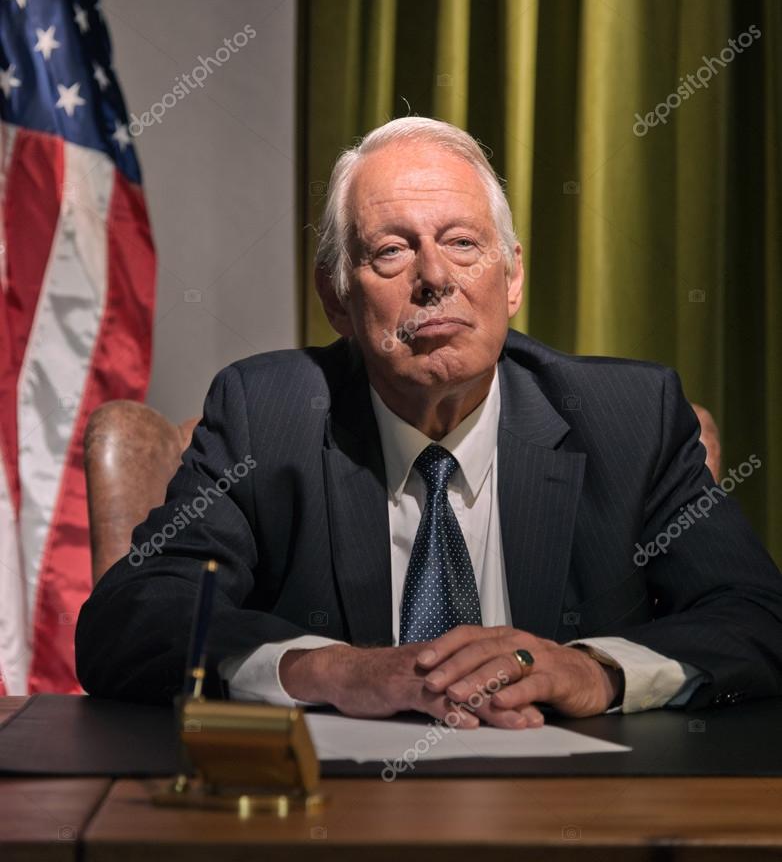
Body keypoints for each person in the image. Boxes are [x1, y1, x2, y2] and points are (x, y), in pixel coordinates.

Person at [76, 117, 782, 727]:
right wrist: (336, 672)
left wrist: (593, 671)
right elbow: (133, 619)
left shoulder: (630, 419)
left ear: (512, 279)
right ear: (337, 297)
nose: (434, 277)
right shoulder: (267, 415)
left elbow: (756, 617)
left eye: (464, 243)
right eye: (391, 250)